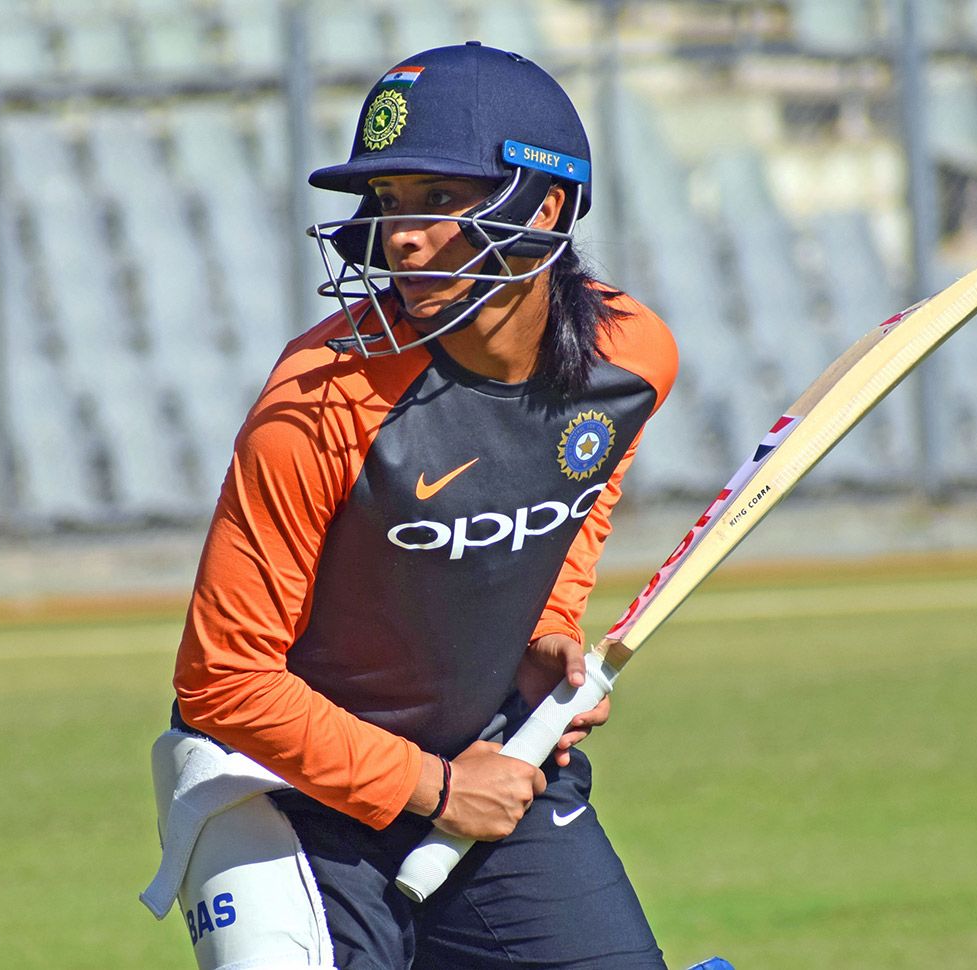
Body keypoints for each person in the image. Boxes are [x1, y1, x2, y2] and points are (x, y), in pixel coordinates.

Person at [151, 41, 678, 969]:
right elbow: (224, 681)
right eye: (391, 202)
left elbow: (578, 497)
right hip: (278, 789)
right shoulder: (314, 402)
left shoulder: (632, 359)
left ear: (544, 206)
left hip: (489, 761)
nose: (402, 236)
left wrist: (546, 628)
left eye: (440, 198)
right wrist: (434, 788)